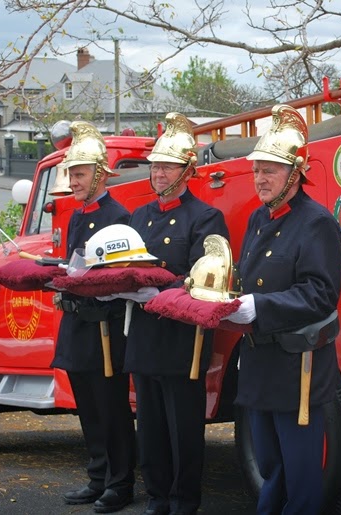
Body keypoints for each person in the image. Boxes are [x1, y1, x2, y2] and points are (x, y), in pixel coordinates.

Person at [223, 104, 341, 515]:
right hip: (259, 366)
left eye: (270, 170)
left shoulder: (316, 223)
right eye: (257, 169)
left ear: (295, 172)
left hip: (298, 370)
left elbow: (320, 295)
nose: (260, 178)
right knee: (271, 468)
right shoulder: (258, 219)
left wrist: (259, 306)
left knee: (302, 474)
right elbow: (248, 277)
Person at [124, 112, 229, 515]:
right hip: (146, 333)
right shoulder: (140, 216)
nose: (158, 173)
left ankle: (184, 500)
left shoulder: (205, 218)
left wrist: (162, 288)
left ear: (187, 170)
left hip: (183, 339)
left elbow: (206, 279)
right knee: (149, 426)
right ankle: (156, 496)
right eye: (155, 165)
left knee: (182, 428)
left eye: (167, 166)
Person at [50, 121, 136, 513]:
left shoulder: (119, 215)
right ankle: (97, 477)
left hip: (105, 326)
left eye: (80, 173)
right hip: (77, 324)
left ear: (100, 174)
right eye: (71, 174)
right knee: (88, 407)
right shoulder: (76, 215)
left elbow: (120, 276)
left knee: (111, 408)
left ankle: (120, 485)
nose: (73, 180)